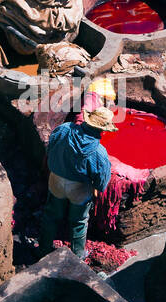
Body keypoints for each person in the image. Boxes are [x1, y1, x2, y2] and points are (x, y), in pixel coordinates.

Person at [39, 105, 116, 261]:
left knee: (51, 215)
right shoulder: (99, 152)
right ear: (103, 130)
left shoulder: (64, 129)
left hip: (56, 179)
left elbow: (50, 148)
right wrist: (97, 189)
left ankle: (43, 248)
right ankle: (78, 256)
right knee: (79, 222)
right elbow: (102, 180)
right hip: (79, 189)